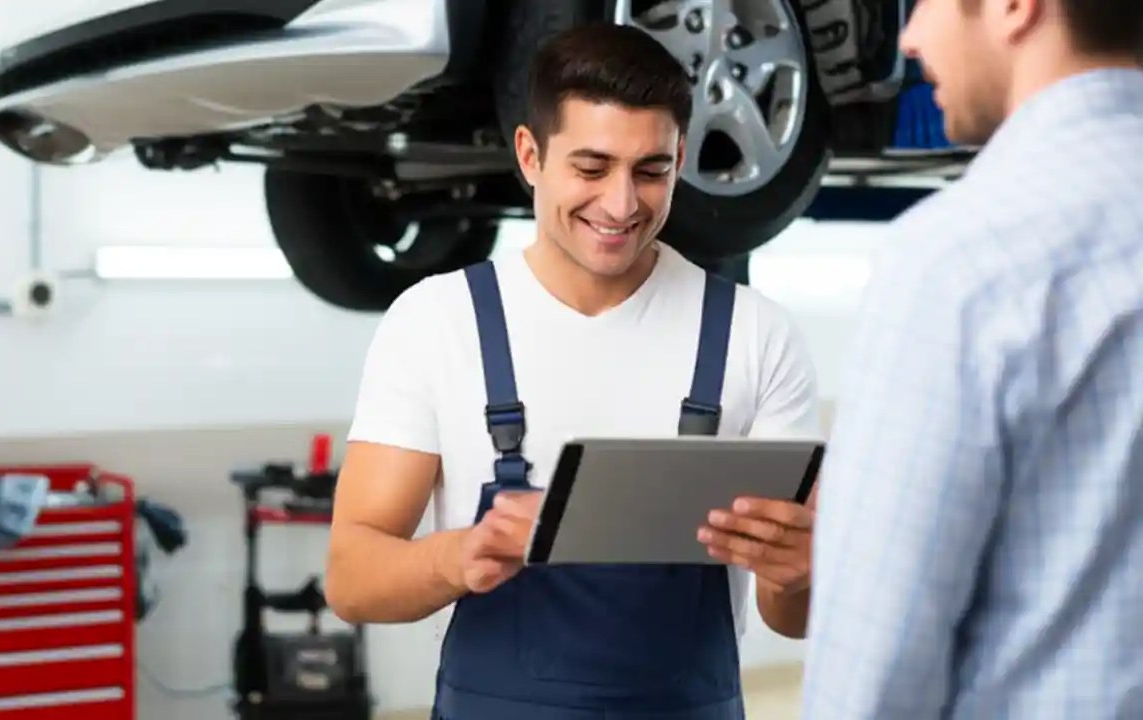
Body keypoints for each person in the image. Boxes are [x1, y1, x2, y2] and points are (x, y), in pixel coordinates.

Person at [324, 22, 824, 720]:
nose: (621, 205)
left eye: (651, 171)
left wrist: (804, 570)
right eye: (591, 169)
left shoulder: (754, 334)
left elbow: (787, 615)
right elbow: (351, 576)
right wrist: (457, 557)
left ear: (681, 157)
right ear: (530, 155)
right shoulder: (438, 321)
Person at [800, 0, 1143, 718]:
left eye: (924, 2)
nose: (912, 38)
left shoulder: (958, 263)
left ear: (1016, 7)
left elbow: (874, 673)